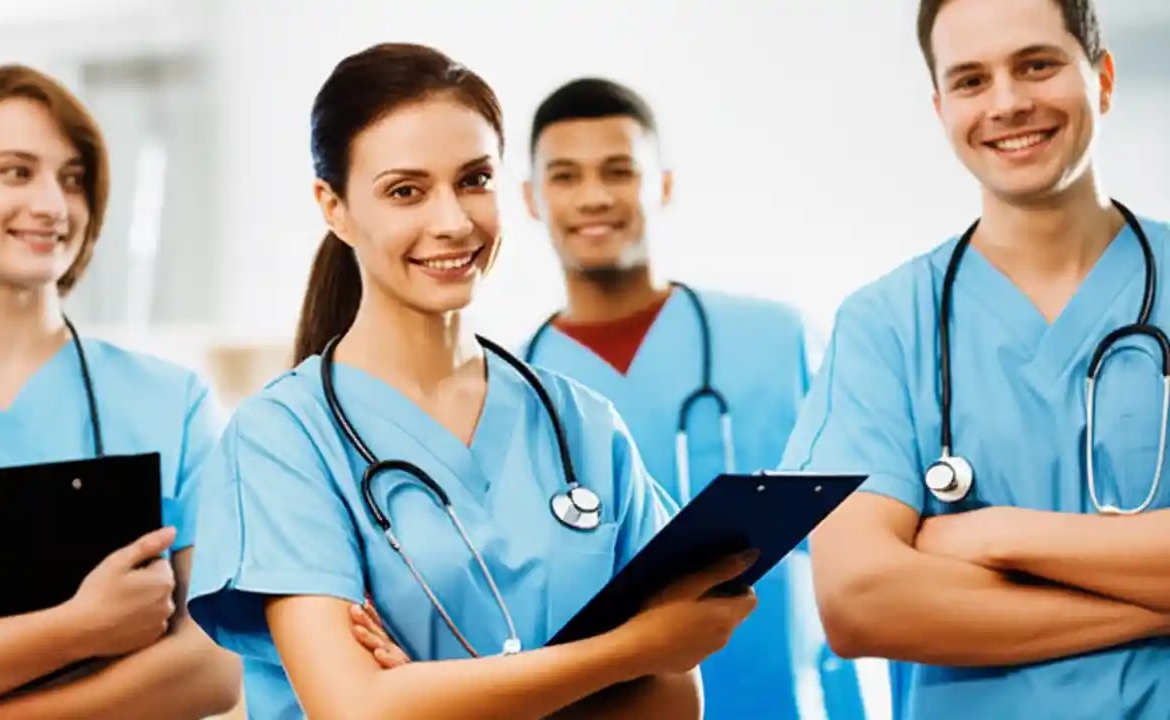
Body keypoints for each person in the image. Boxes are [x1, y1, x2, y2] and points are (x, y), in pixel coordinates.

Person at [187, 42, 760, 720]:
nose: (453, 221)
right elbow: (358, 709)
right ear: (334, 206)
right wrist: (629, 651)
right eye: (406, 191)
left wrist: (444, 694)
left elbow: (671, 703)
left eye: (474, 180)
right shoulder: (283, 438)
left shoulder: (581, 423)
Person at [780, 0, 1170, 718]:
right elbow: (860, 601)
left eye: (1037, 65)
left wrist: (995, 533)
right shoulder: (886, 323)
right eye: (970, 81)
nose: (1009, 103)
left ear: (1103, 78)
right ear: (940, 109)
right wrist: (1154, 603)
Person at [0, 64, 242, 719]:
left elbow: (216, 663)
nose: (54, 206)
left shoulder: (173, 401)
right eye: (17, 172)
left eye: (72, 178)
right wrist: (79, 628)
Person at [512, 77, 862, 720]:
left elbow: (857, 549)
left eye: (619, 170)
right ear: (532, 199)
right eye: (565, 176)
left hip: (779, 700)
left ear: (663, 185)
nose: (593, 196)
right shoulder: (509, 391)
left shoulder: (777, 339)